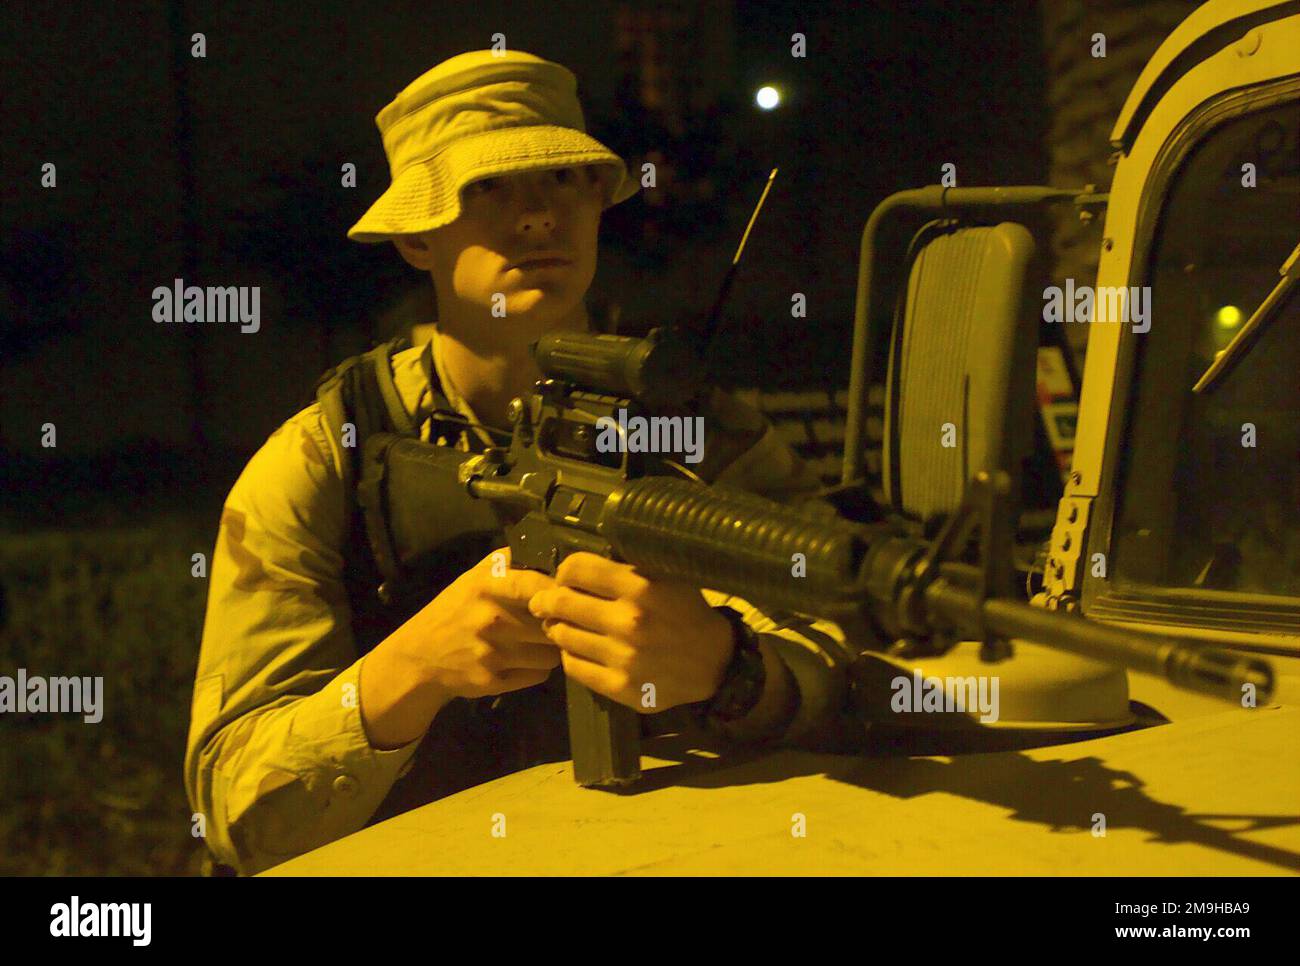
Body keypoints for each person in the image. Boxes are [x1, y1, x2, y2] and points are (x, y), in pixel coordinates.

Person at [184, 49, 851, 876]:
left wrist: (733, 671)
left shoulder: (693, 427)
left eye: (567, 180)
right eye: (488, 189)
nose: (539, 215)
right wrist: (406, 674)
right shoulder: (325, 460)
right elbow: (233, 813)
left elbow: (860, 647)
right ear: (417, 239)